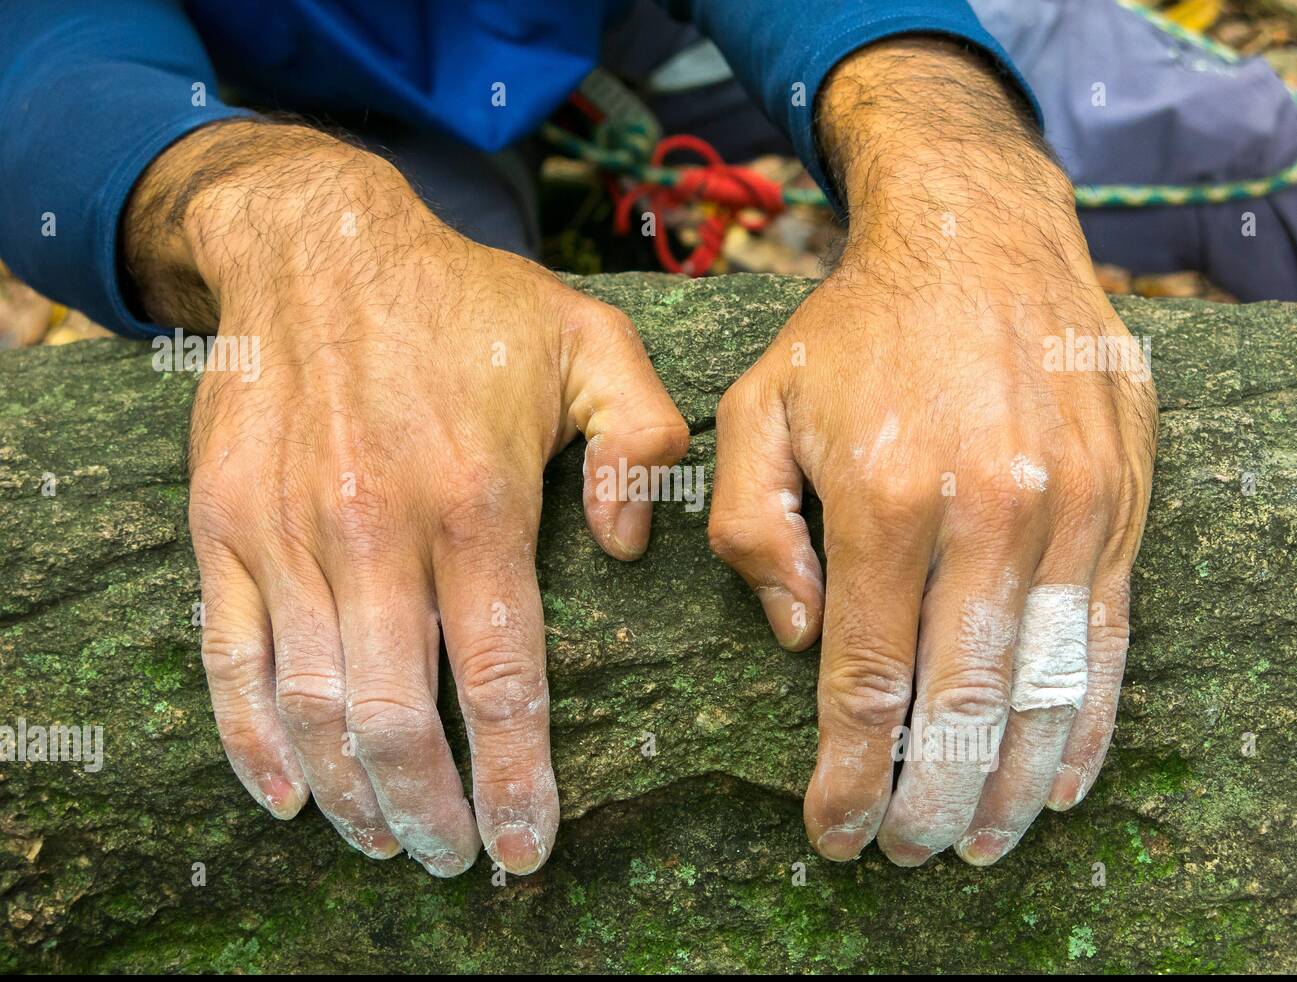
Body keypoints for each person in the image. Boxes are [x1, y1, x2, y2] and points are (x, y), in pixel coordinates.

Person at [0, 0, 1156, 876]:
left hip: (671, 30)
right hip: (276, 99)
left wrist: (967, 182)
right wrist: (277, 216)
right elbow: (44, 51)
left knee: (1162, 118)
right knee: (436, 357)